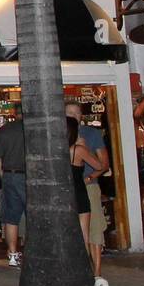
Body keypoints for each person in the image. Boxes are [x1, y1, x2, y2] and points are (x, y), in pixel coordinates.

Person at [65, 101, 109, 276]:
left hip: (88, 187)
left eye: (76, 113)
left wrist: (89, 177)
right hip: (74, 190)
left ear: (81, 115)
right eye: (69, 113)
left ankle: (96, 273)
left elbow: (103, 164)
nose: (73, 116)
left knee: (94, 230)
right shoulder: (61, 137)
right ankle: (82, 272)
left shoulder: (91, 134)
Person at [0, 115, 27, 266]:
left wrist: (3, 174)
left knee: (11, 217)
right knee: (32, 213)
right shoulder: (30, 129)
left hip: (9, 173)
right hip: (28, 174)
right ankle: (33, 251)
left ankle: (12, 254)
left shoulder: (4, 131)